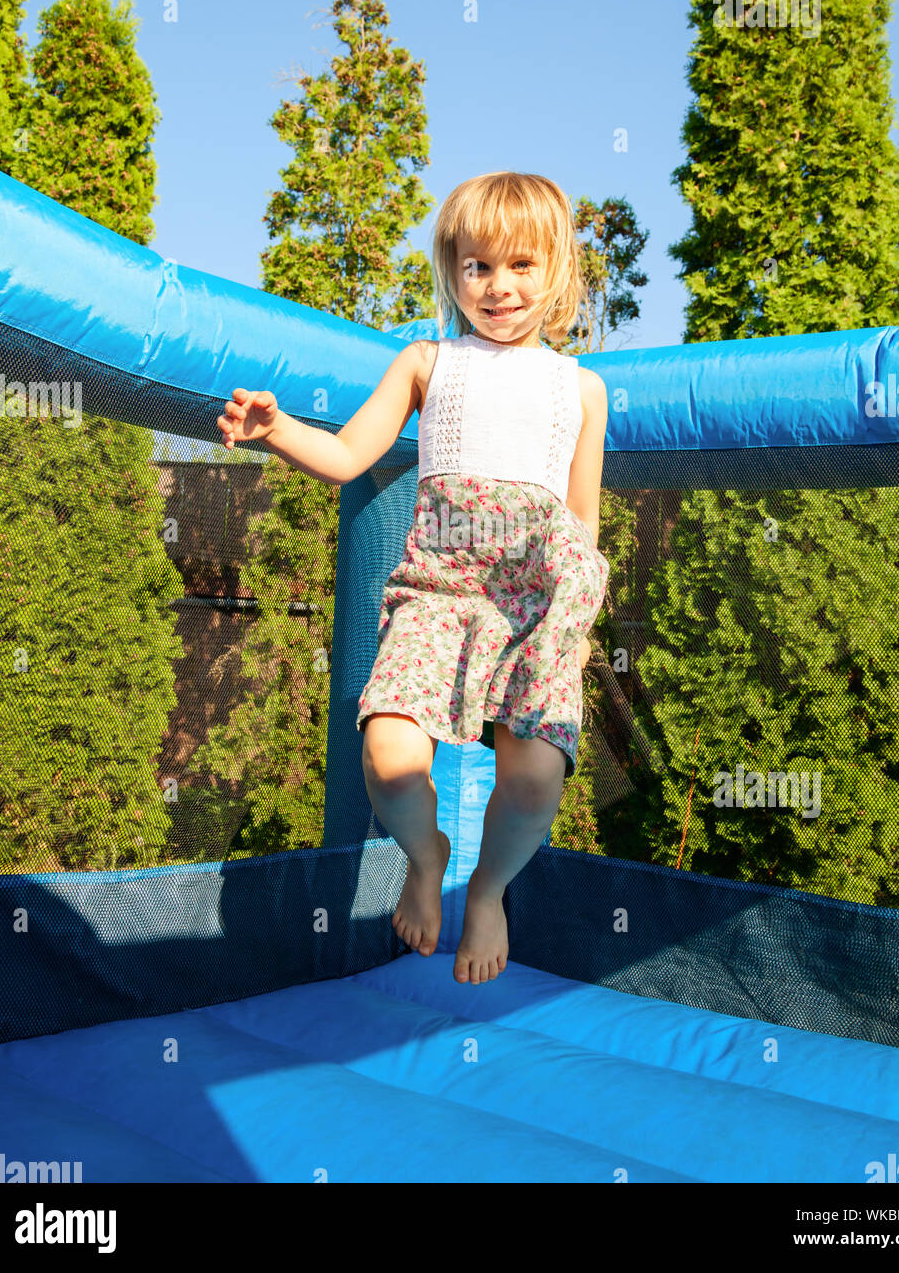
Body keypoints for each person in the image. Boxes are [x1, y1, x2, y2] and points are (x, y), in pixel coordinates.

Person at [216, 170, 610, 985]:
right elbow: (348, 455)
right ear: (452, 269)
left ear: (558, 269)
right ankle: (425, 854)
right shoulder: (429, 363)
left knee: (534, 780)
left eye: (520, 266)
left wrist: (571, 633)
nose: (498, 287)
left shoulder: (580, 388)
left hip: (535, 604)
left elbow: (581, 524)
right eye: (477, 267)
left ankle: (489, 888)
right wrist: (278, 428)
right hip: (439, 593)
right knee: (389, 760)